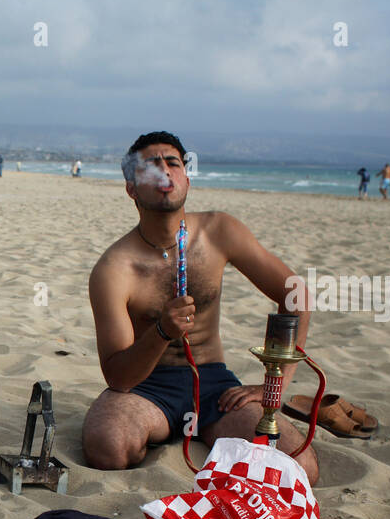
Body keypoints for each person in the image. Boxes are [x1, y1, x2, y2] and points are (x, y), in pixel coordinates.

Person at [82, 131, 319, 484]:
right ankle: (167, 431)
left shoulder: (218, 231)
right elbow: (118, 376)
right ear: (131, 187)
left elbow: (295, 295)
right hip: (147, 387)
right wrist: (162, 331)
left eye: (173, 163)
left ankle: (205, 432)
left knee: (300, 469)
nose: (165, 172)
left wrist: (277, 384)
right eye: (151, 165)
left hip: (214, 386)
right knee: (108, 447)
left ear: (187, 179)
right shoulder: (114, 268)